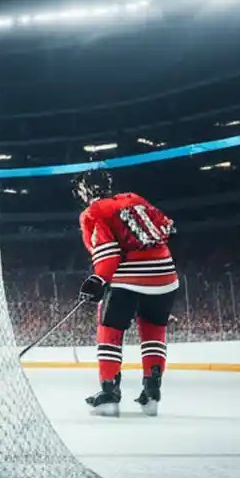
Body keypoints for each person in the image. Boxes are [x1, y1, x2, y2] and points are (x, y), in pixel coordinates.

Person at [74, 171, 179, 417]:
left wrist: (98, 280)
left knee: (109, 329)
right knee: (154, 331)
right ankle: (152, 394)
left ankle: (109, 394)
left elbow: (108, 254)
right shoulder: (134, 198)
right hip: (166, 276)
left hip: (128, 280)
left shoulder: (92, 212)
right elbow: (169, 228)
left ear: (86, 192)